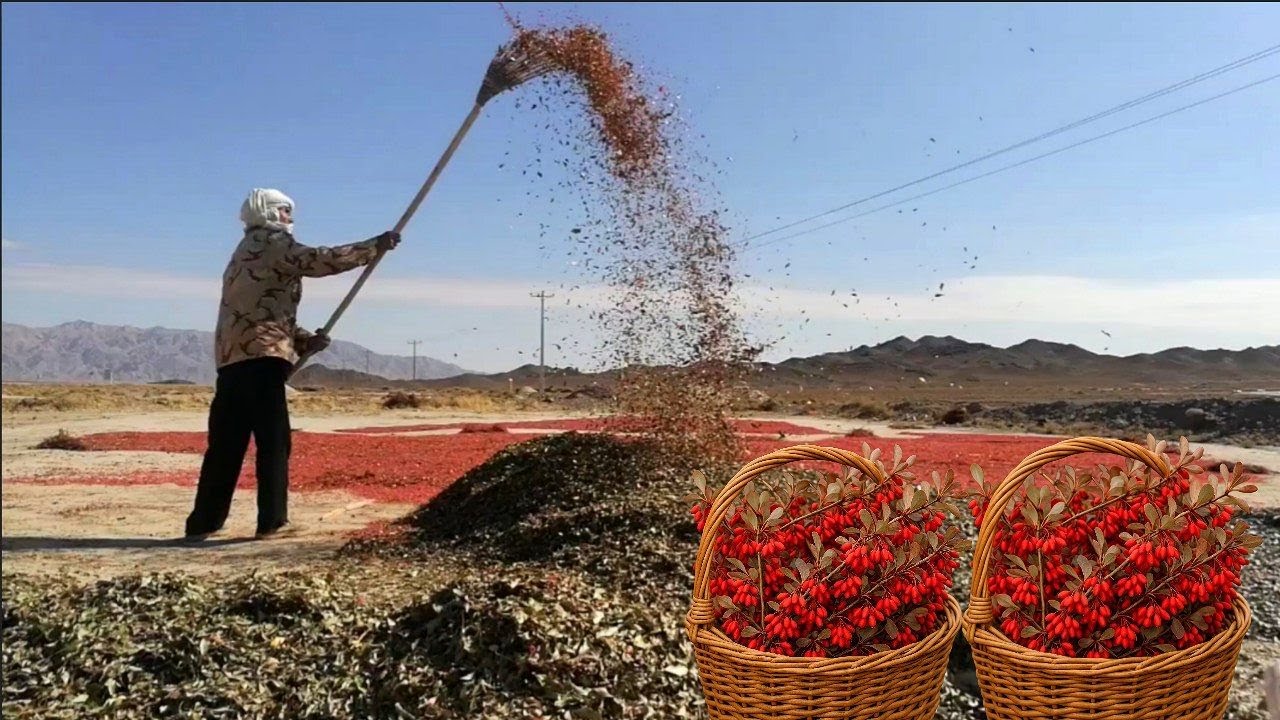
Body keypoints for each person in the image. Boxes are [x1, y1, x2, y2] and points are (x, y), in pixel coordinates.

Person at [184, 188, 400, 541]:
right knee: (273, 440)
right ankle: (272, 521)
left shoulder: (244, 252)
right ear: (268, 212)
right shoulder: (272, 243)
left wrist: (301, 340)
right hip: (262, 360)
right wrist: (373, 247)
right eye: (285, 210)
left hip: (233, 360)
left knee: (227, 444)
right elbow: (318, 260)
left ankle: (203, 522)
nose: (290, 217)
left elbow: (257, 312)